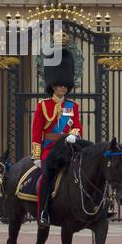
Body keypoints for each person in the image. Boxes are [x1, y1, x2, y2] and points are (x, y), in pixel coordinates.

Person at [31, 48, 82, 226]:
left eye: (65, 85)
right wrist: (37, 156)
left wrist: (74, 135)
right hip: (49, 150)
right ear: (53, 85)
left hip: (68, 149)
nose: (63, 88)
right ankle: (43, 212)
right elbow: (37, 133)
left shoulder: (72, 106)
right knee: (47, 177)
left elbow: (77, 126)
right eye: (60, 85)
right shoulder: (43, 106)